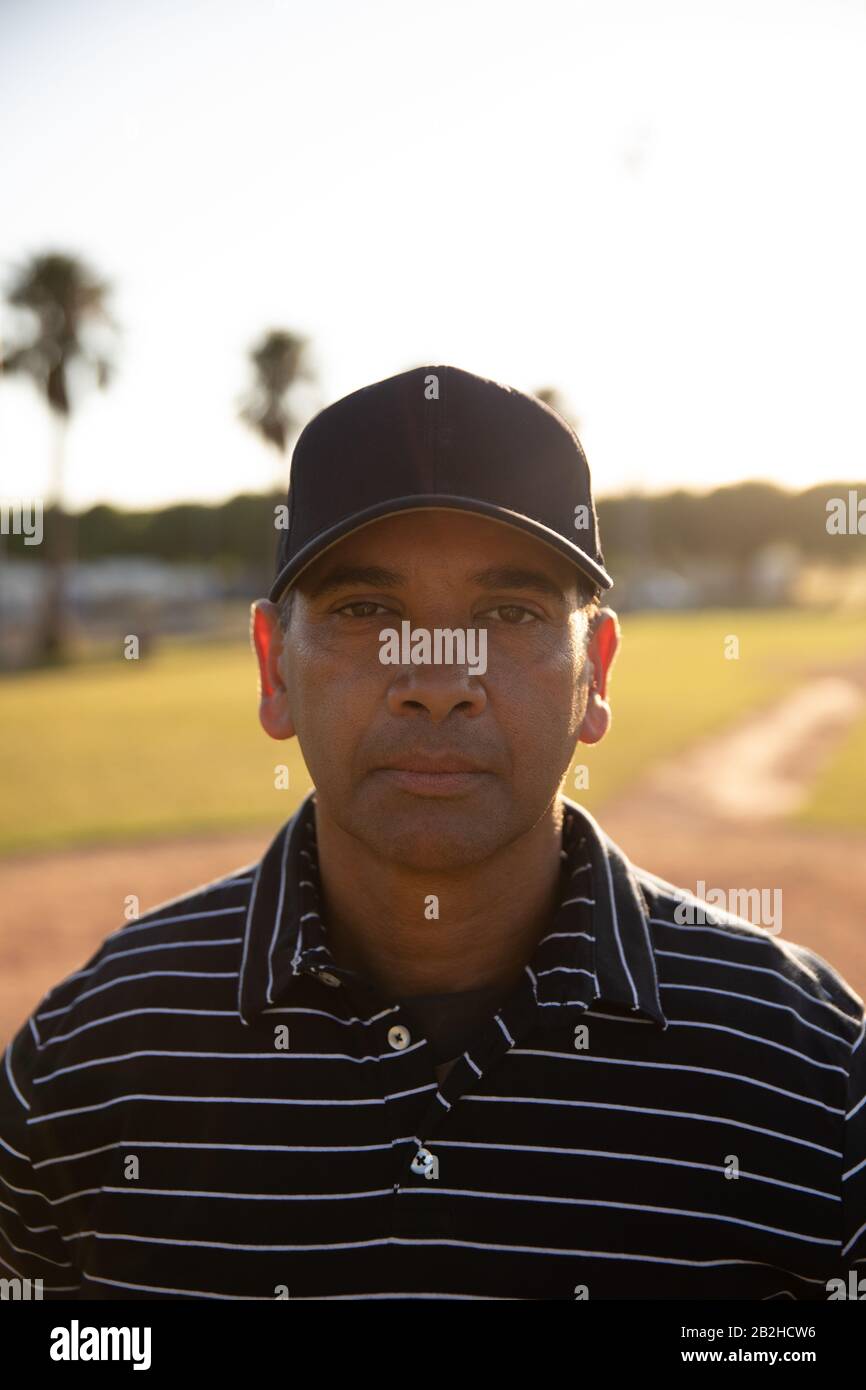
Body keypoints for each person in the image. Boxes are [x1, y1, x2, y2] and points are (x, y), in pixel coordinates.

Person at [1, 364, 863, 1301]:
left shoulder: (814, 1072)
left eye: (509, 613)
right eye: (368, 612)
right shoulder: (87, 1061)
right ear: (274, 668)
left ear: (597, 673)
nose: (437, 677)